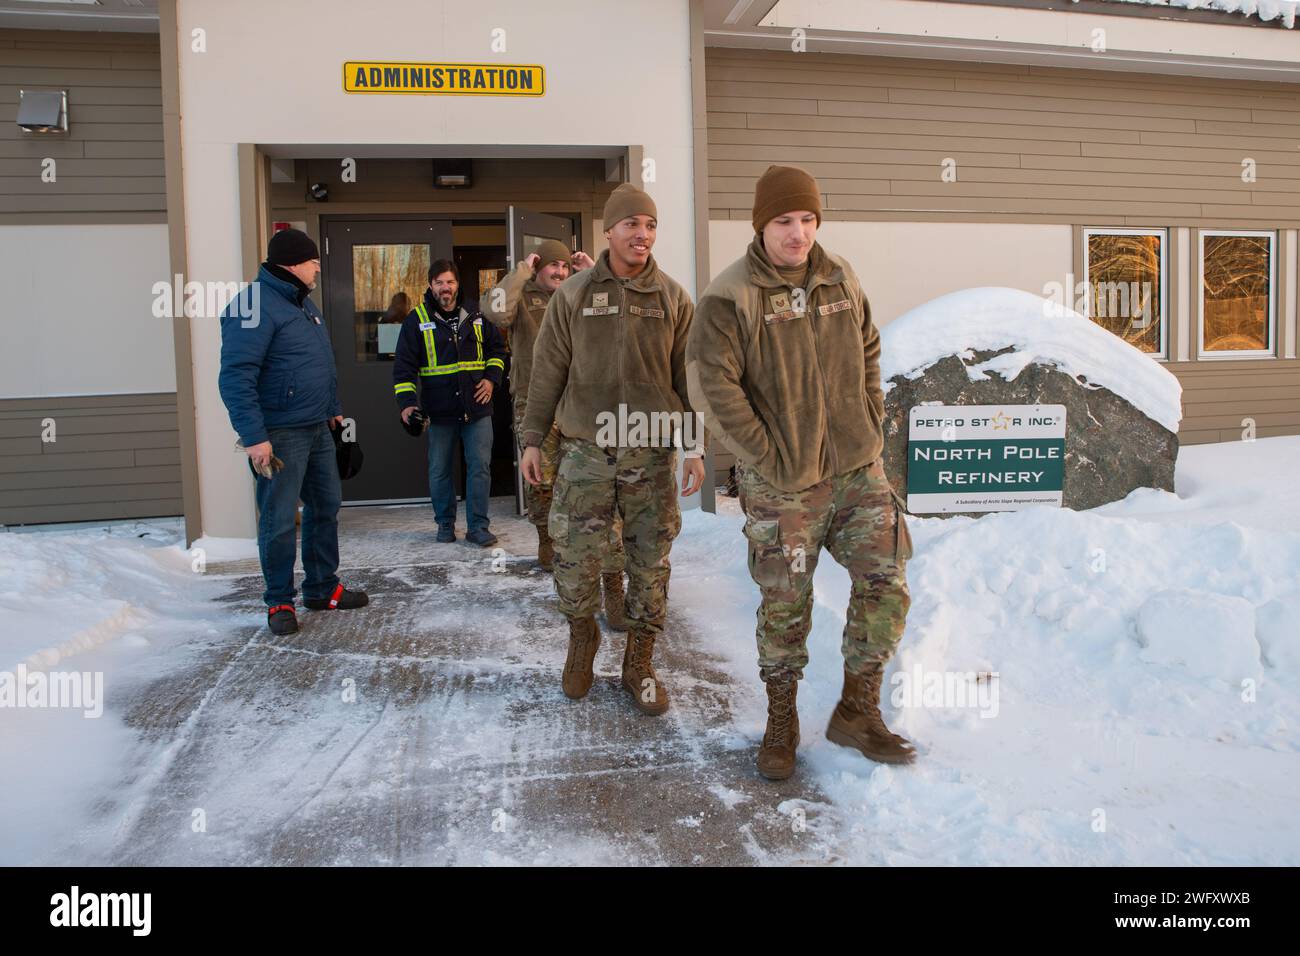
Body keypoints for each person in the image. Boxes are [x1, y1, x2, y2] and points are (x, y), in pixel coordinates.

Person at [686, 165, 915, 780]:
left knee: (887, 582)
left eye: (808, 219)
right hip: (784, 481)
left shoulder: (838, 274)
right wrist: (766, 453)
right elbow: (712, 387)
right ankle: (781, 719)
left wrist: (869, 415)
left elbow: (868, 345)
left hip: (855, 466)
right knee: (786, 601)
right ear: (762, 224)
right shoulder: (730, 295)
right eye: (785, 221)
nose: (798, 233)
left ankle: (856, 709)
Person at [521, 183, 705, 713]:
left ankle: (640, 661)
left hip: (650, 455)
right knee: (575, 557)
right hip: (585, 453)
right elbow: (547, 371)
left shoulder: (672, 298)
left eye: (650, 225)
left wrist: (695, 446)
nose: (642, 234)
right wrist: (533, 439)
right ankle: (583, 638)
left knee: (650, 563)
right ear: (609, 232)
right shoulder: (574, 294)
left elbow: (688, 379)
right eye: (632, 224)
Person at [218, 228, 370, 637]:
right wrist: (253, 437)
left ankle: (321, 587)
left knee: (326, 506)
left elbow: (320, 363)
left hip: (317, 427)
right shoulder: (252, 305)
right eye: (312, 261)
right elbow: (235, 377)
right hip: (279, 434)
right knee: (280, 518)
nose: (318, 267)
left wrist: (333, 412)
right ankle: (279, 600)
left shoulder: (301, 303)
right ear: (292, 263)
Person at [484, 242, 630, 630]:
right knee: (542, 483)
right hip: (535, 403)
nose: (560, 272)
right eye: (553, 266)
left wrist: (593, 270)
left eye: (565, 266)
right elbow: (494, 309)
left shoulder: (583, 291)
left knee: (599, 499)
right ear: (539, 268)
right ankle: (548, 538)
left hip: (583, 408)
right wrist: (520, 271)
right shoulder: (522, 297)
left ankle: (613, 586)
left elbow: (627, 308)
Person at [393, 259, 507, 546]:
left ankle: (478, 527)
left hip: (477, 409)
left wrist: (492, 378)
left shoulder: (478, 315)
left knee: (479, 467)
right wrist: (407, 403)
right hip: (439, 412)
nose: (445, 287)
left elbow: (498, 349)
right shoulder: (416, 320)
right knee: (440, 470)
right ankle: (445, 524)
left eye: (450, 282)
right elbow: (404, 367)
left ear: (458, 285)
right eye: (439, 282)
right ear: (431, 285)